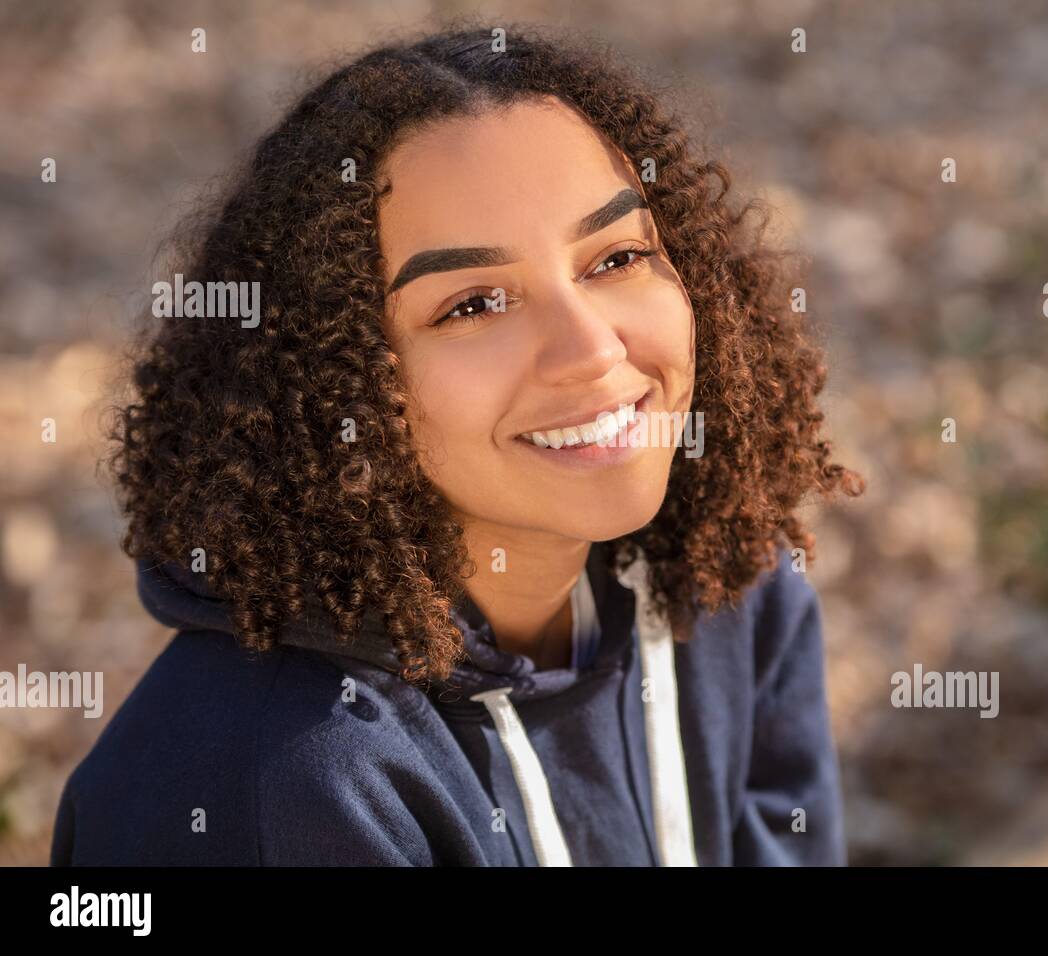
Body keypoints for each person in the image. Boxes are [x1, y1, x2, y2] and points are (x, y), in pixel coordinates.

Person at [50, 21, 863, 866]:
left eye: (616, 256)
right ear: (342, 384)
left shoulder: (726, 583)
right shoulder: (274, 785)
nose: (591, 349)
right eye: (472, 305)